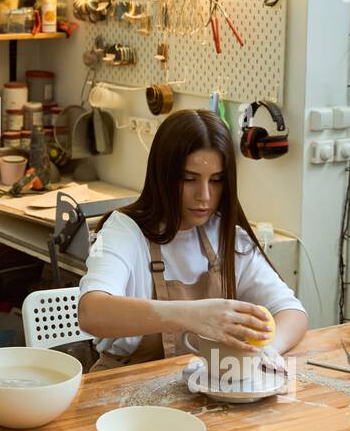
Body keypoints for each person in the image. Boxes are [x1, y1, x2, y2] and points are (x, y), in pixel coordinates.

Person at [78, 109, 307, 371]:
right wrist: (194, 315)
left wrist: (266, 350)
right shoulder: (123, 232)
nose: (205, 196)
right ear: (163, 175)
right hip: (123, 390)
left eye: (217, 180)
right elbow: (91, 313)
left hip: (199, 387)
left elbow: (292, 312)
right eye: (189, 179)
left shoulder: (226, 236)